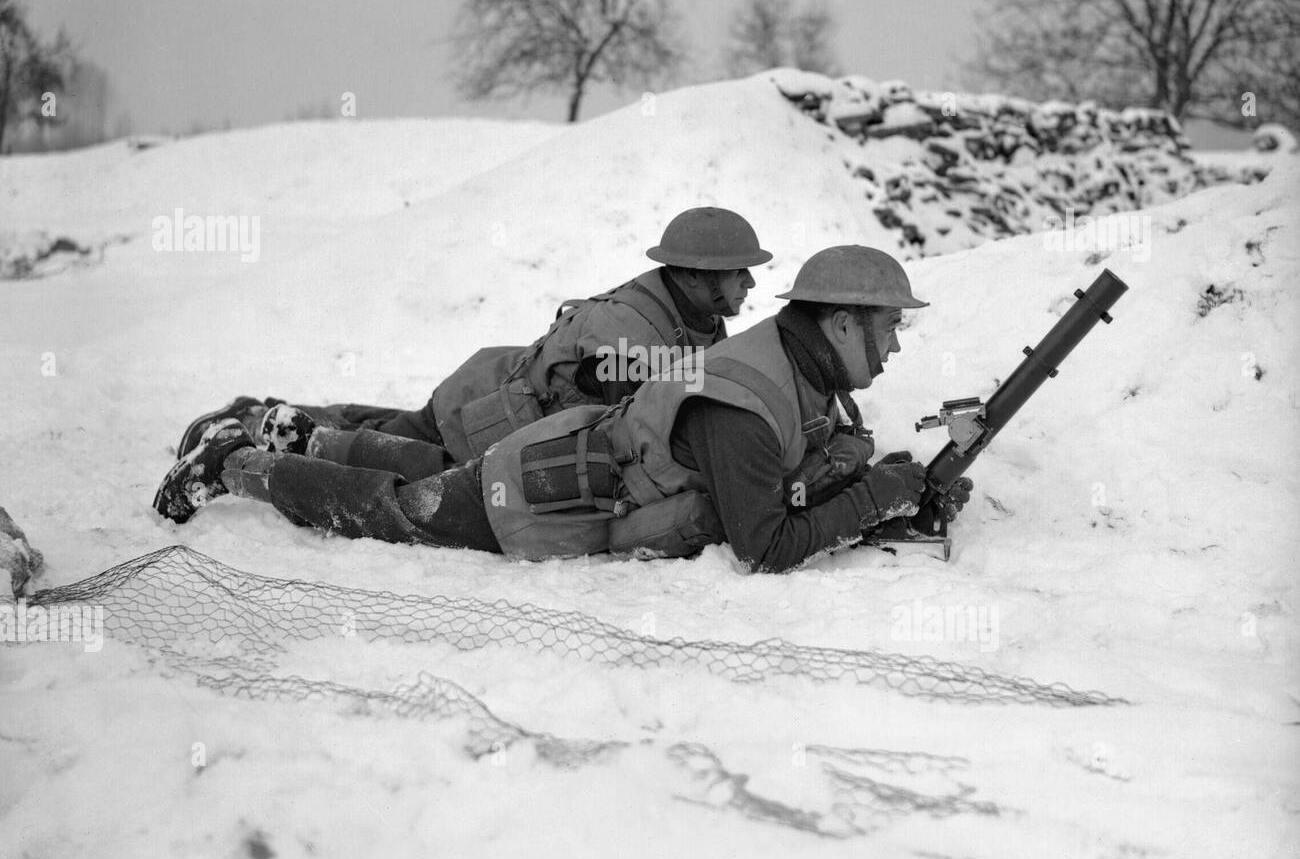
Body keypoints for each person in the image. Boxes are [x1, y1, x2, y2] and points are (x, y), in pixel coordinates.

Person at [153, 246, 973, 574]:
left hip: (566, 461)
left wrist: (889, 480)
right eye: (890, 327)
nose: (897, 345)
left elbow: (802, 464)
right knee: (394, 509)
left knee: (398, 461)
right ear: (837, 323)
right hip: (546, 489)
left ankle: (265, 438)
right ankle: (235, 464)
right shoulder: (746, 399)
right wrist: (878, 497)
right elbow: (765, 546)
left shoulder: (795, 370)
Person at [172, 207, 772, 477]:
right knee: (392, 450)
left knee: (394, 427)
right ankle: (252, 424)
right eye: (737, 271)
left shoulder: (689, 315)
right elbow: (604, 412)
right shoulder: (632, 335)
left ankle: (255, 413)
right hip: (487, 408)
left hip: (494, 388)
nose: (748, 282)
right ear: (693, 273)